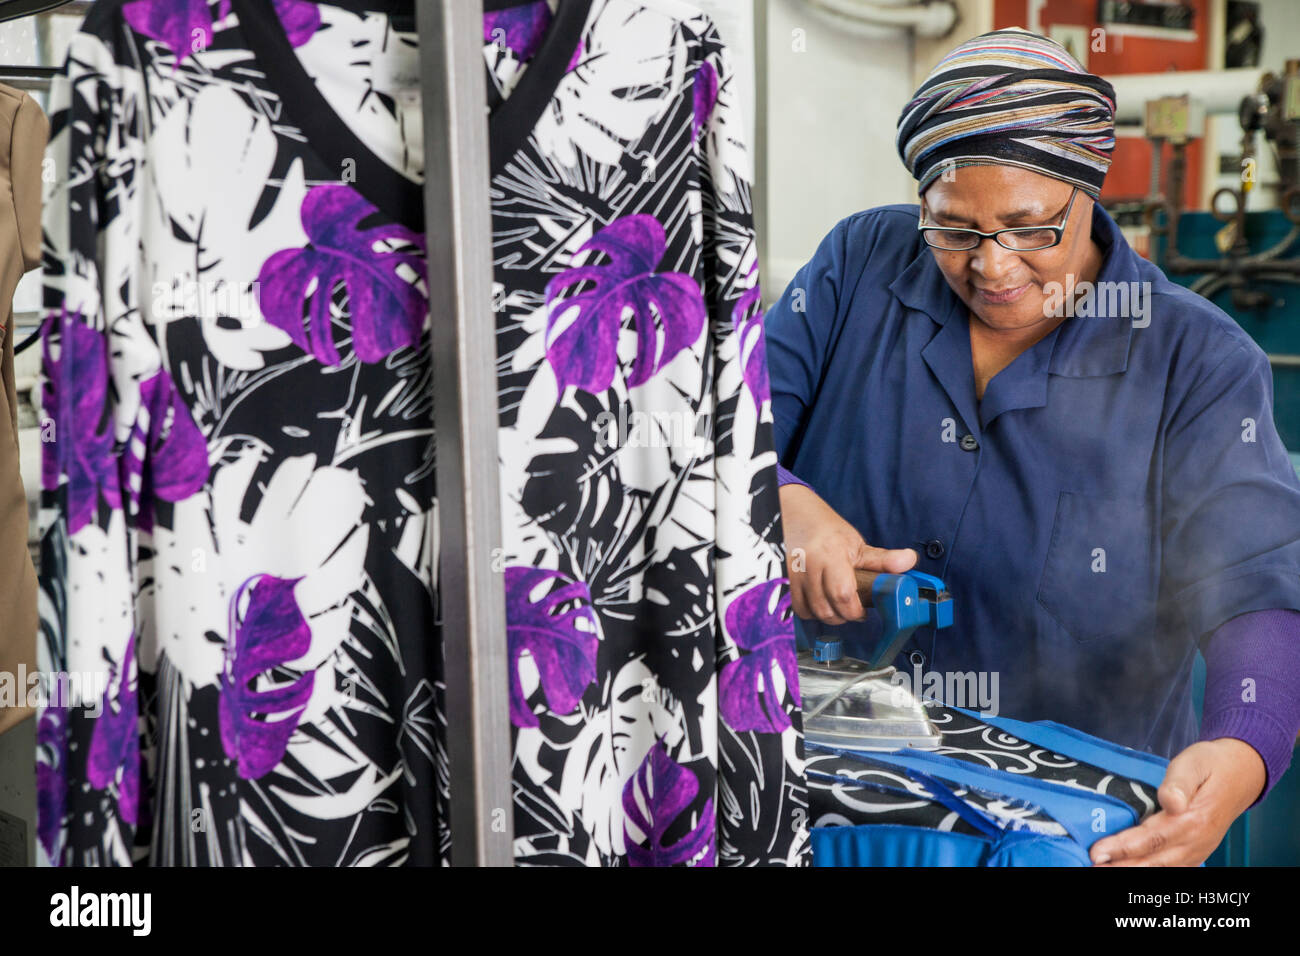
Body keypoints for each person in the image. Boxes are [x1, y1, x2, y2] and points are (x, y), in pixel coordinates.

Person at [765, 27, 1300, 866]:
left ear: (1089, 191)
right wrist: (785, 501)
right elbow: (719, 434)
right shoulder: (856, 270)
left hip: (1068, 832)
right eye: (953, 229)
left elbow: (1257, 590)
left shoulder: (1196, 362)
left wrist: (1243, 746)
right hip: (820, 793)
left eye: (1028, 227)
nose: (992, 264)